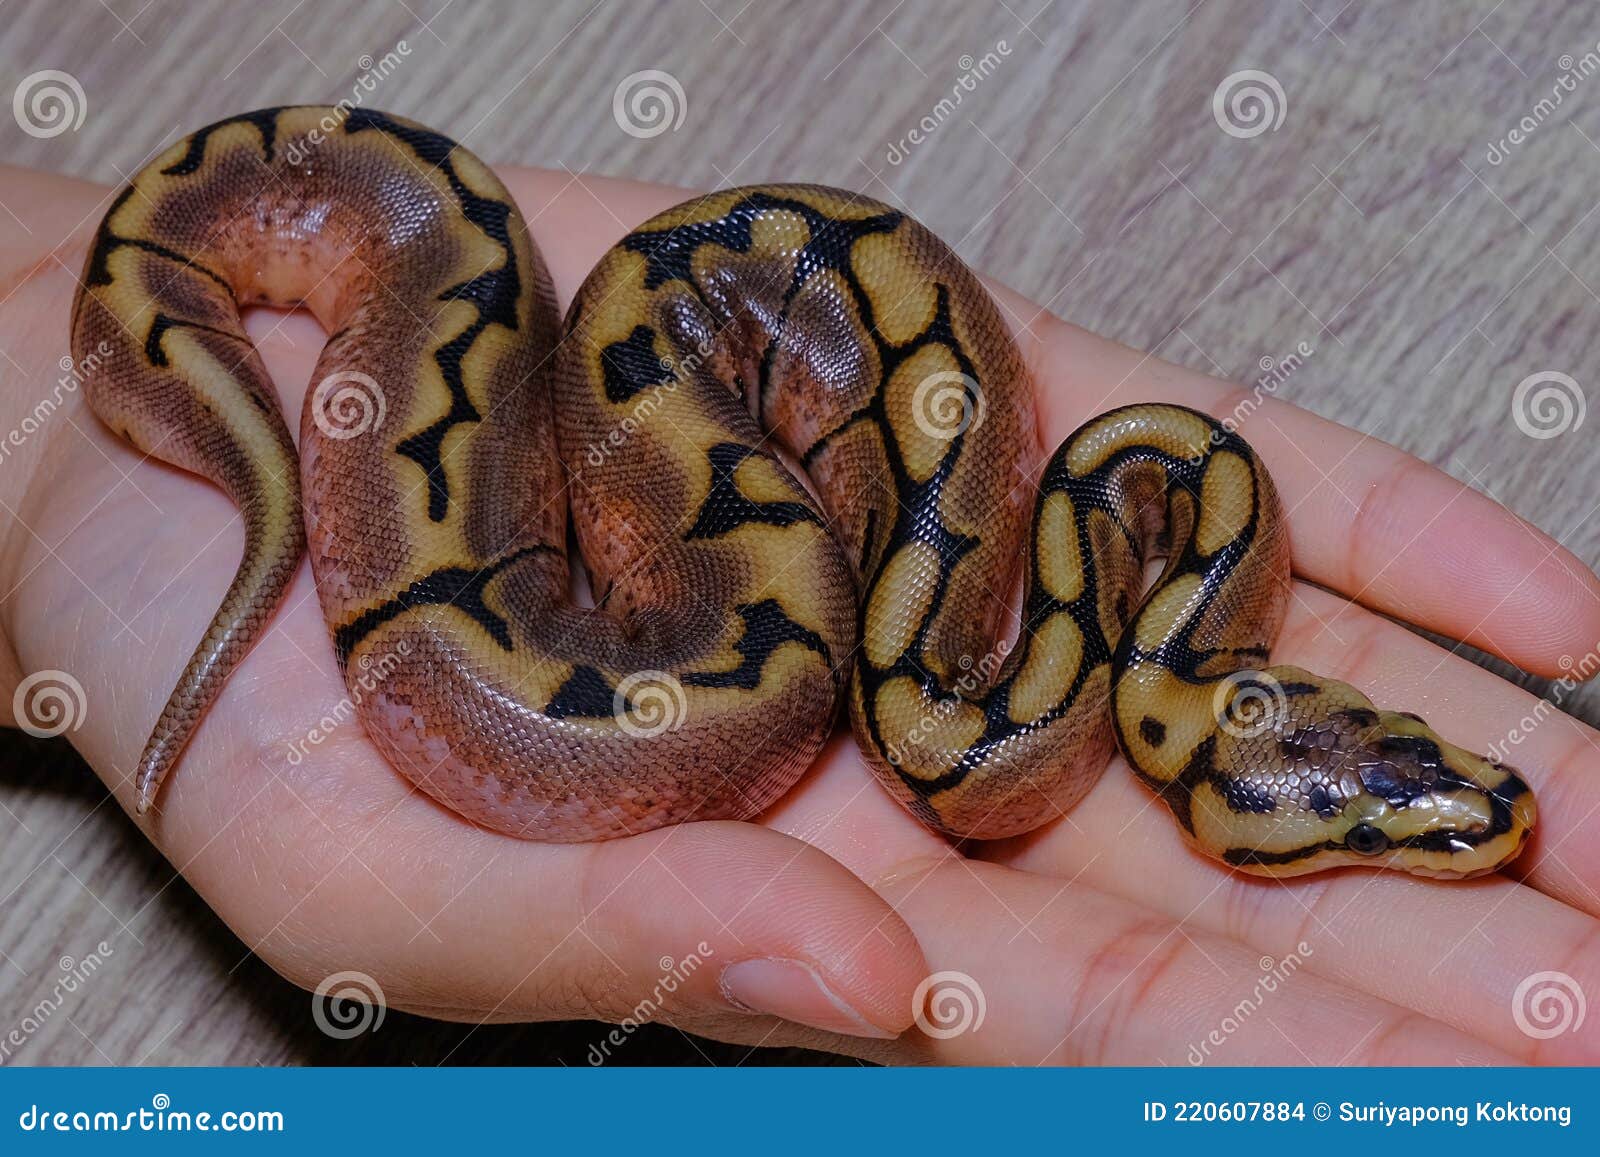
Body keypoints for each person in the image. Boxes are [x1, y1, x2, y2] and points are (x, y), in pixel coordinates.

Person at [2, 162, 1597, 1065]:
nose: (1429, 803)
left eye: (1376, 808)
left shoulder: (1024, 617)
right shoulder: (1134, 524)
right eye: (1391, 795)